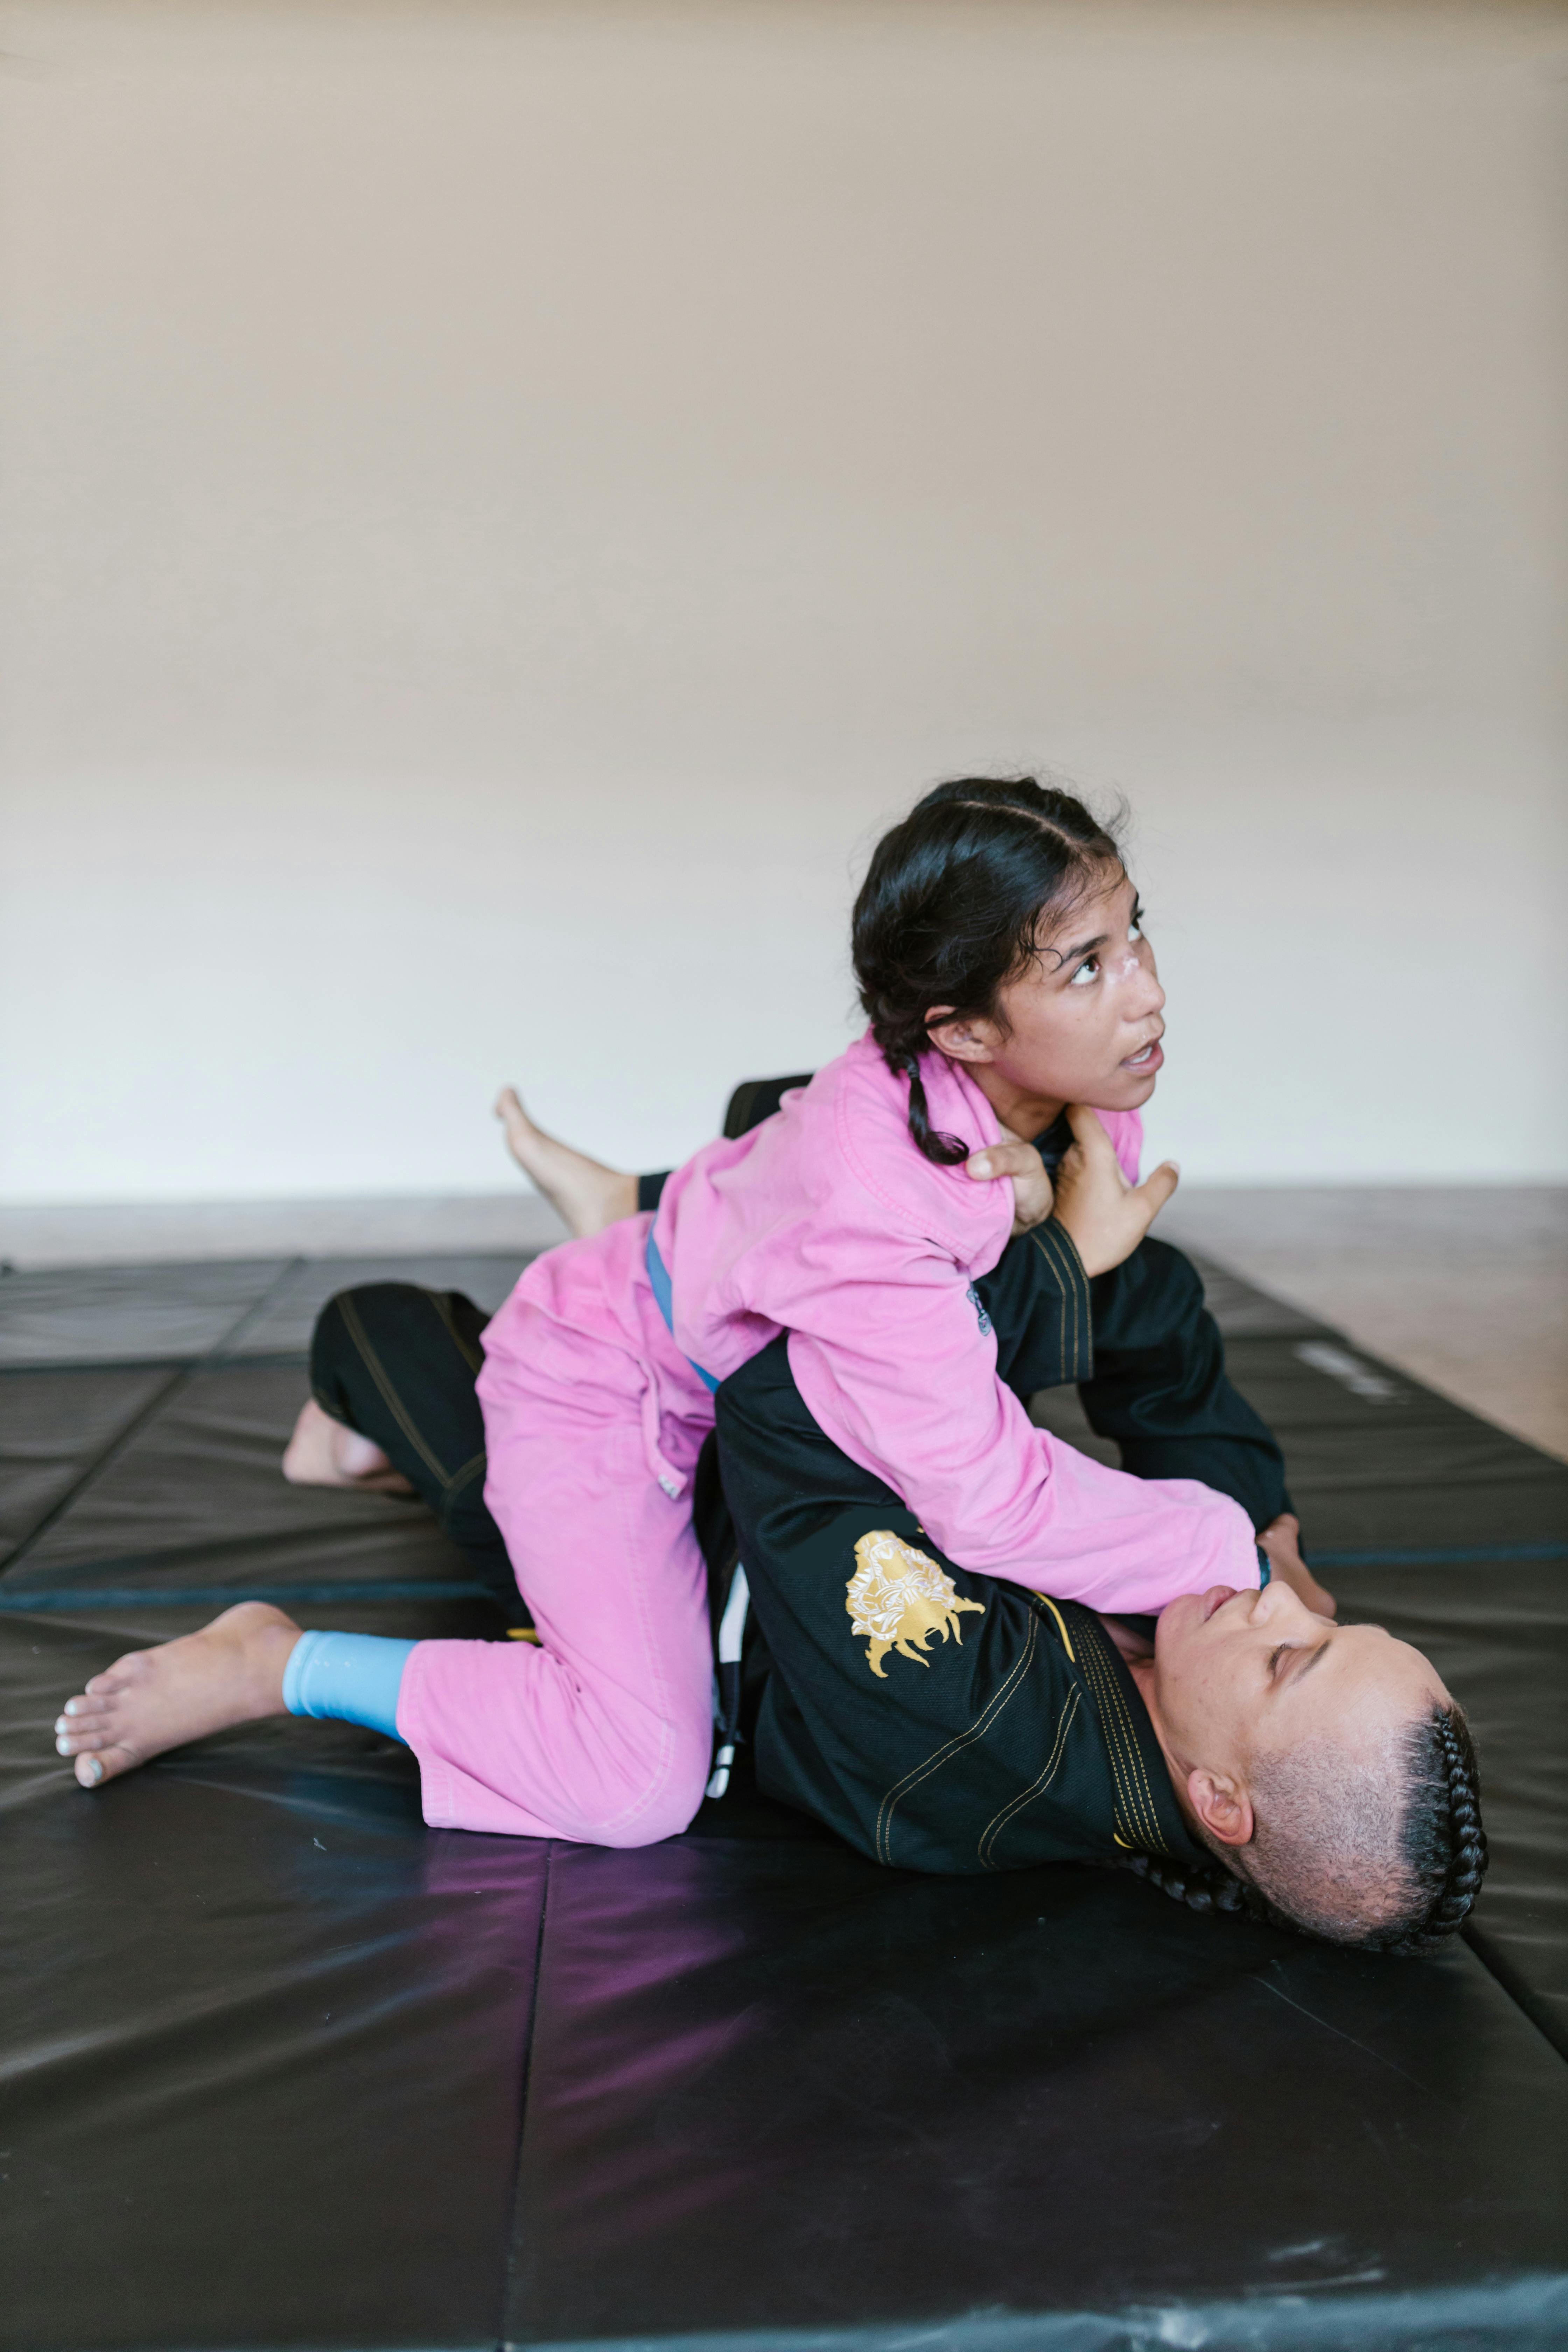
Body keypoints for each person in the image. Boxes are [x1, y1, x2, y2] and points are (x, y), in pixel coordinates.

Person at [49, 1154, 1486, 1953]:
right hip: (777, 1501)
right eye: (1327, 1618)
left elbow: (786, 1403)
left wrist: (1039, 1285)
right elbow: (1160, 1322)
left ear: (1221, 1799)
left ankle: (268, 1653)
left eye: (1296, 1655)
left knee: (381, 1341)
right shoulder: (1216, 1636)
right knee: (872, 1174)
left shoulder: (968, 1710)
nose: (1275, 1605)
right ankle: (642, 1213)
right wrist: (1259, 1504)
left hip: (693, 1564)